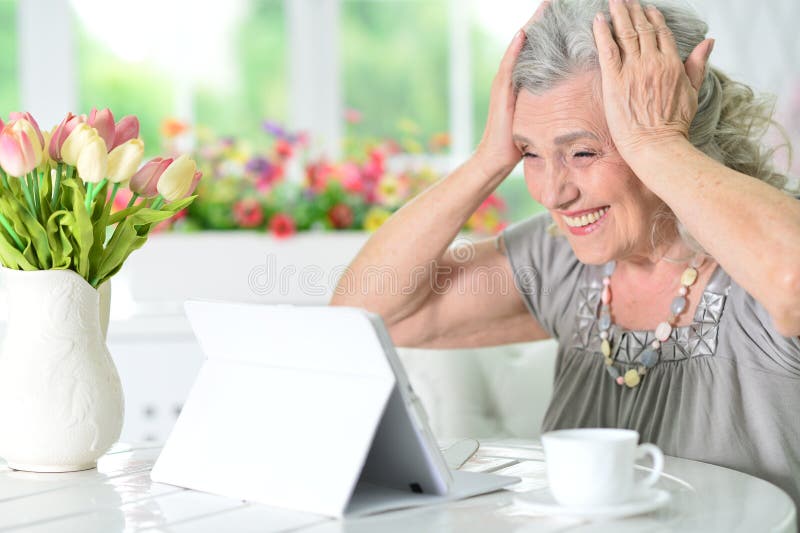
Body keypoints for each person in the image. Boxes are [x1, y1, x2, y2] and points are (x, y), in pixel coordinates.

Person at [331, 0, 800, 511]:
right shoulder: (565, 259)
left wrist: (657, 140)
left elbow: (792, 285)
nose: (553, 193)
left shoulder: (765, 247)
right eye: (531, 153)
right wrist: (489, 158)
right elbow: (363, 316)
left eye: (583, 152)